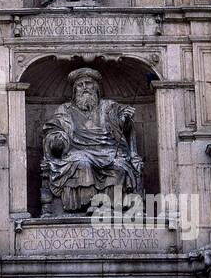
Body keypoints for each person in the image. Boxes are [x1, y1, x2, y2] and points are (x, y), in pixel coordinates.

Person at [41, 67, 143, 214]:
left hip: (108, 150)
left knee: (119, 165)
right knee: (82, 162)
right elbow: (53, 130)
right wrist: (56, 139)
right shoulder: (65, 110)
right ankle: (86, 205)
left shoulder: (109, 106)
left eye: (88, 84)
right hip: (77, 152)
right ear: (75, 90)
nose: (84, 88)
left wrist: (125, 118)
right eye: (80, 85)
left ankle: (110, 206)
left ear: (96, 88)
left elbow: (123, 126)